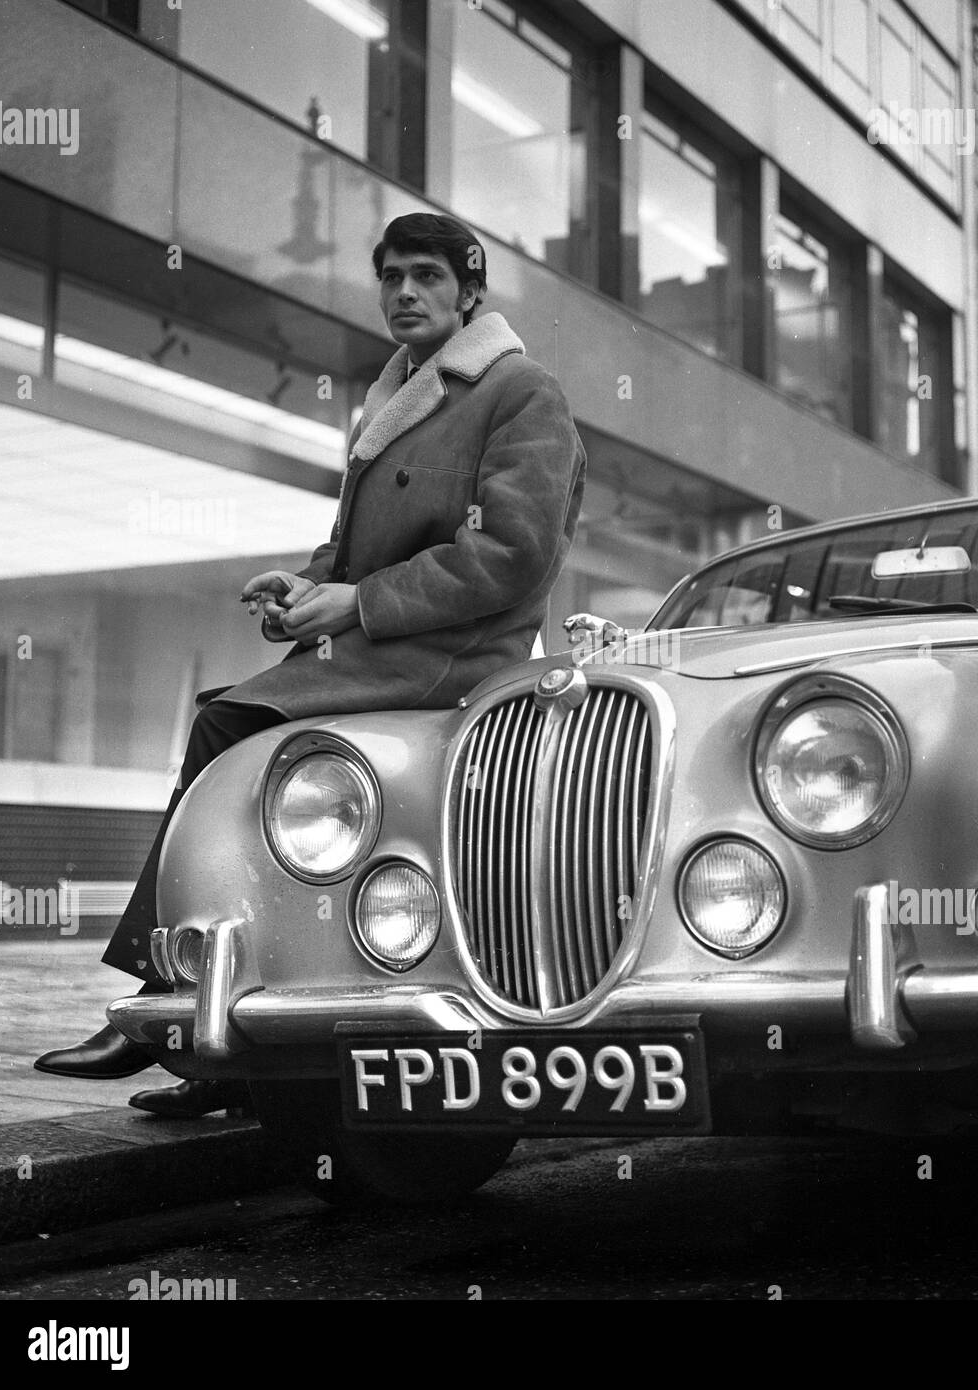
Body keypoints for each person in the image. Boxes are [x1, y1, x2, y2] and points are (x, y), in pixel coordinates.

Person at [35, 213, 587, 1117]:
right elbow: (353, 552)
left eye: (427, 276)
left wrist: (356, 604)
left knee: (228, 724)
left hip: (448, 655)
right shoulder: (396, 396)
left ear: (471, 291)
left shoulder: (519, 391)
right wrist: (307, 588)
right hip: (386, 643)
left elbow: (510, 556)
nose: (404, 292)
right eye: (391, 277)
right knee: (245, 759)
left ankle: (161, 1001)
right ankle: (216, 1040)